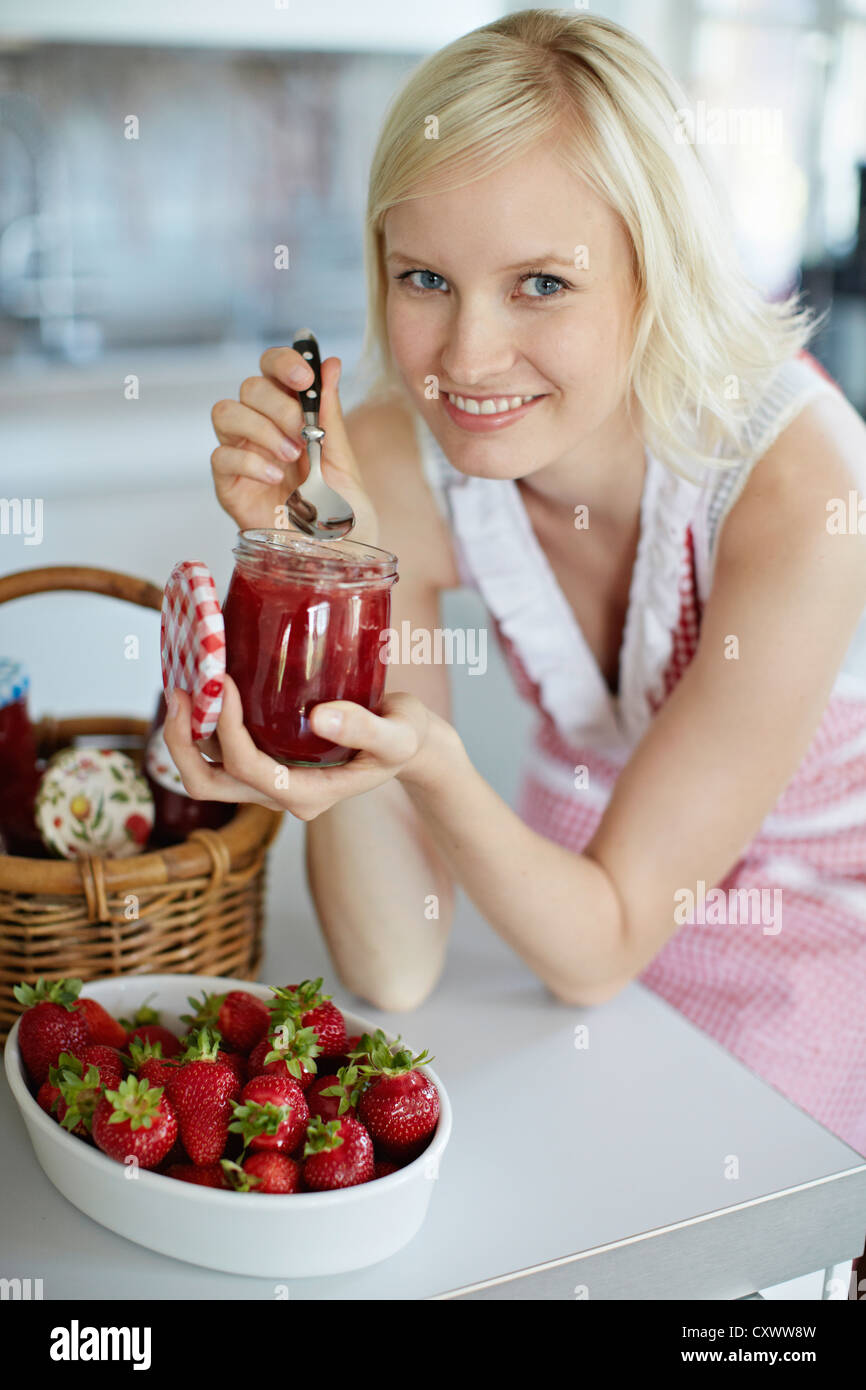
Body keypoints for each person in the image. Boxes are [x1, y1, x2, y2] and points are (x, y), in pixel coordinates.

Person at [164, 8, 866, 1193]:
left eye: (541, 282)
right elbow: (396, 963)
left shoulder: (806, 493)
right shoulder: (387, 458)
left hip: (807, 927)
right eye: (423, 278)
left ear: (654, 272)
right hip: (564, 873)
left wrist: (431, 766)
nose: (467, 358)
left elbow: (597, 950)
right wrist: (317, 588)